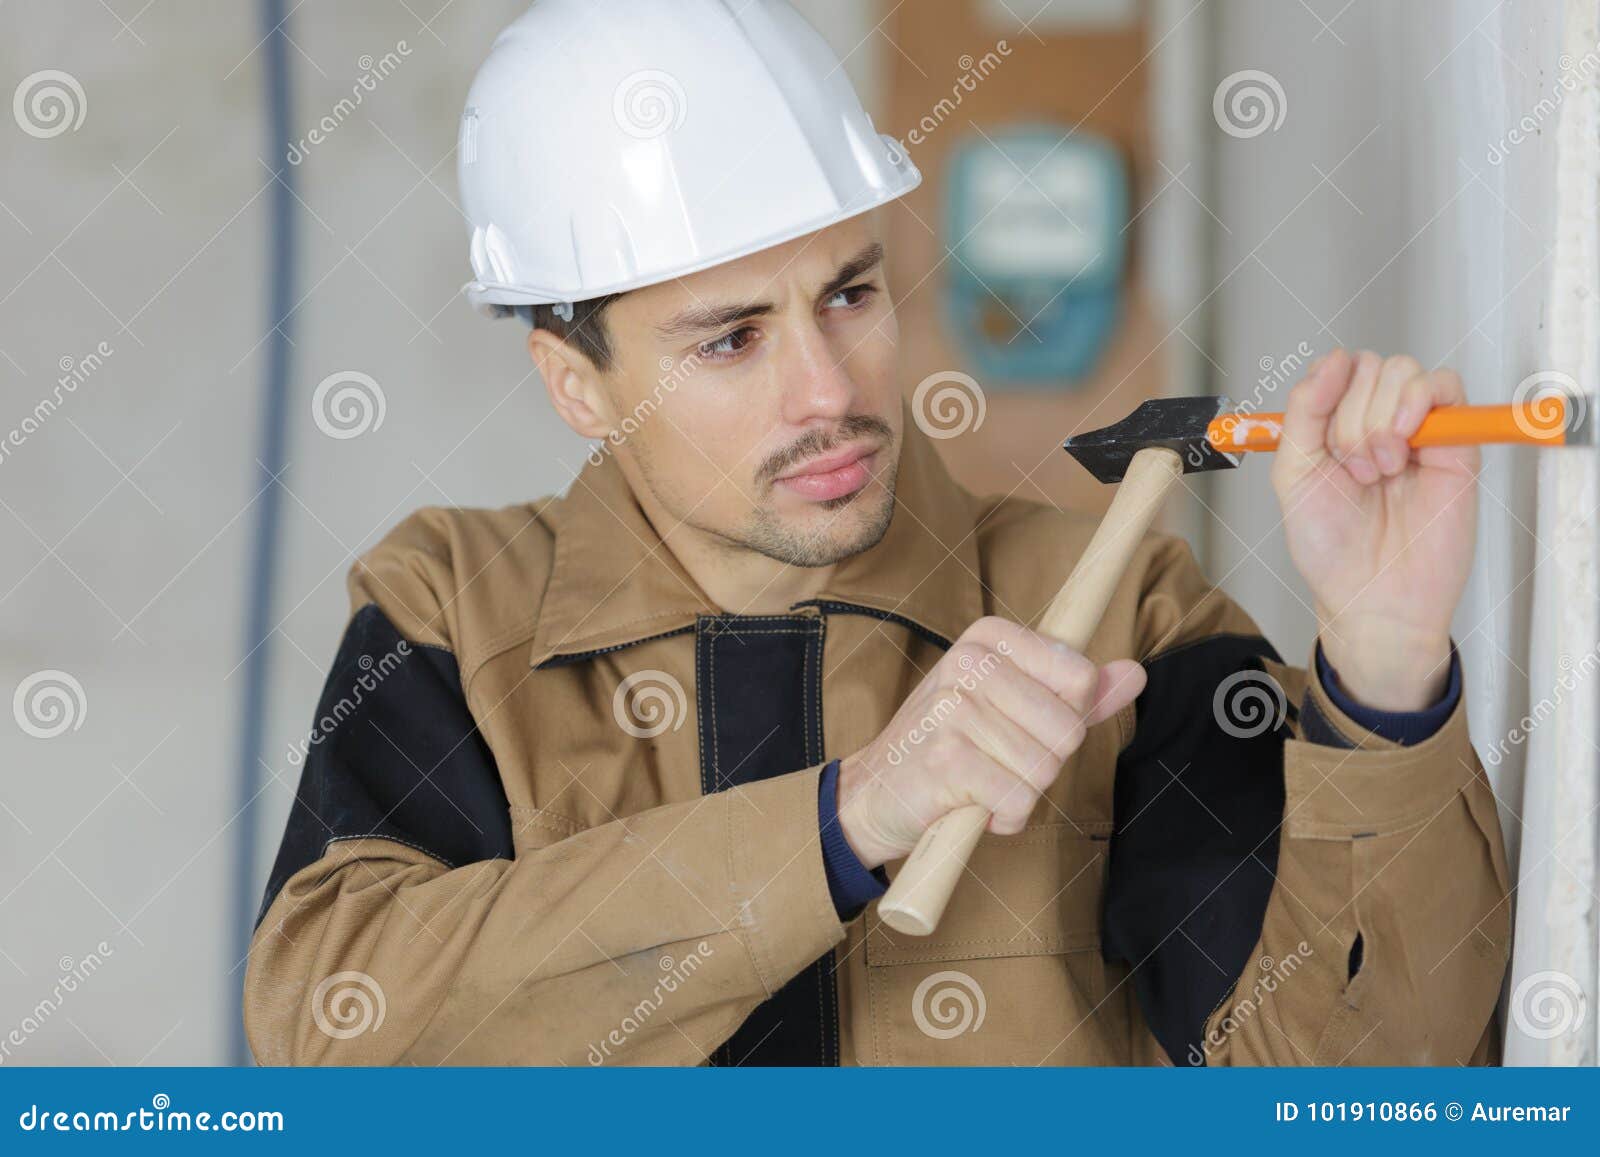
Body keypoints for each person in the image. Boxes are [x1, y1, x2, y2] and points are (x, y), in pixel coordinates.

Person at [243, 0, 1510, 1066]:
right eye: (731, 337)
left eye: (849, 292)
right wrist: (847, 819)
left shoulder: (1112, 609)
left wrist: (1384, 674)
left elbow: (1345, 1084)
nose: (831, 390)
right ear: (576, 380)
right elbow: (333, 1029)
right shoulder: (454, 612)